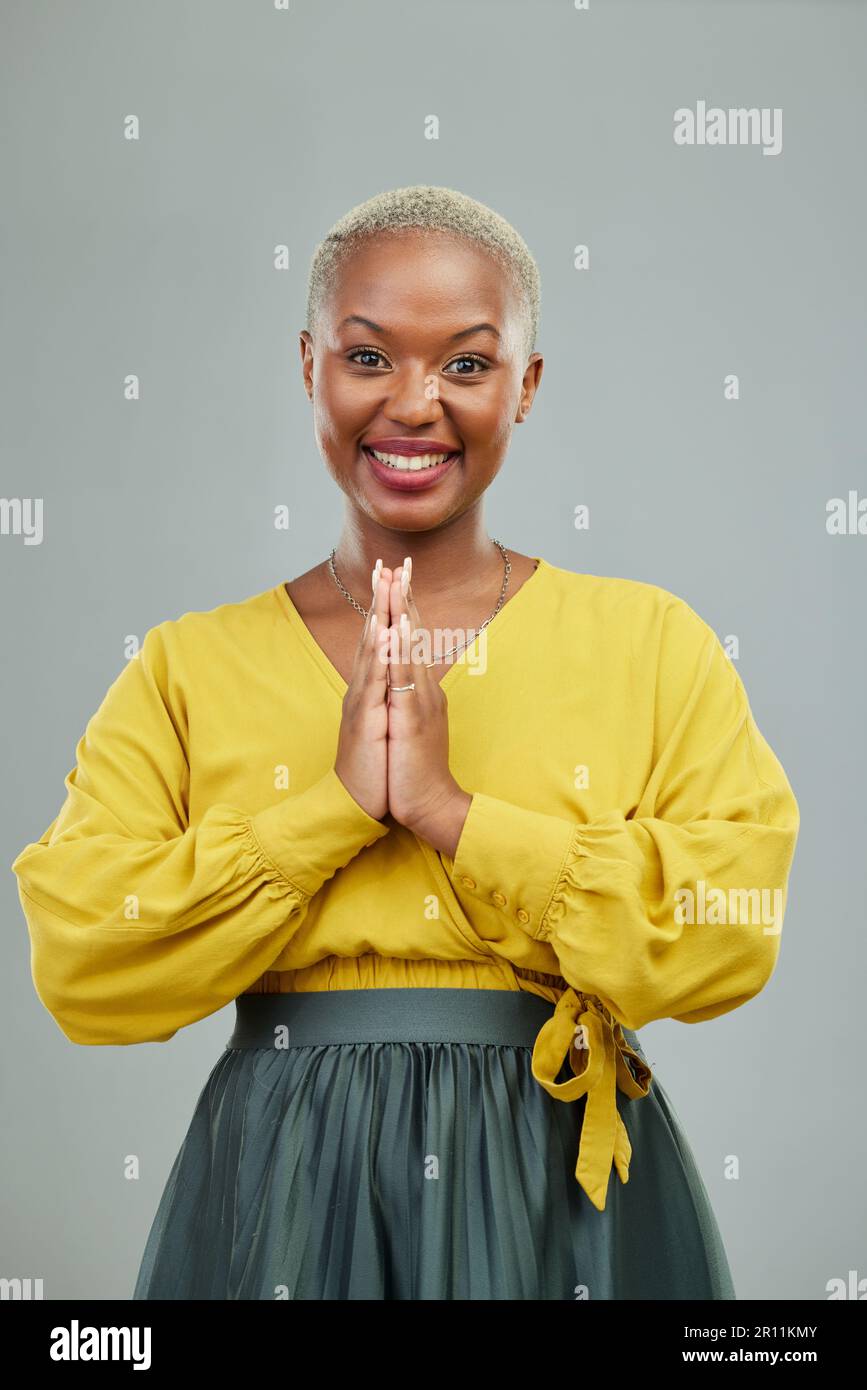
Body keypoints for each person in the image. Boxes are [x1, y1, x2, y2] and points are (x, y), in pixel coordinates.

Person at [11, 184, 800, 1300]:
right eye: (369, 356)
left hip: (552, 1184)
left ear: (526, 385)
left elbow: (736, 922)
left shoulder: (651, 642)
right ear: (309, 368)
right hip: (284, 1179)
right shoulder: (186, 666)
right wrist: (330, 812)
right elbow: (84, 956)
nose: (415, 403)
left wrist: (454, 815)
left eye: (469, 364)